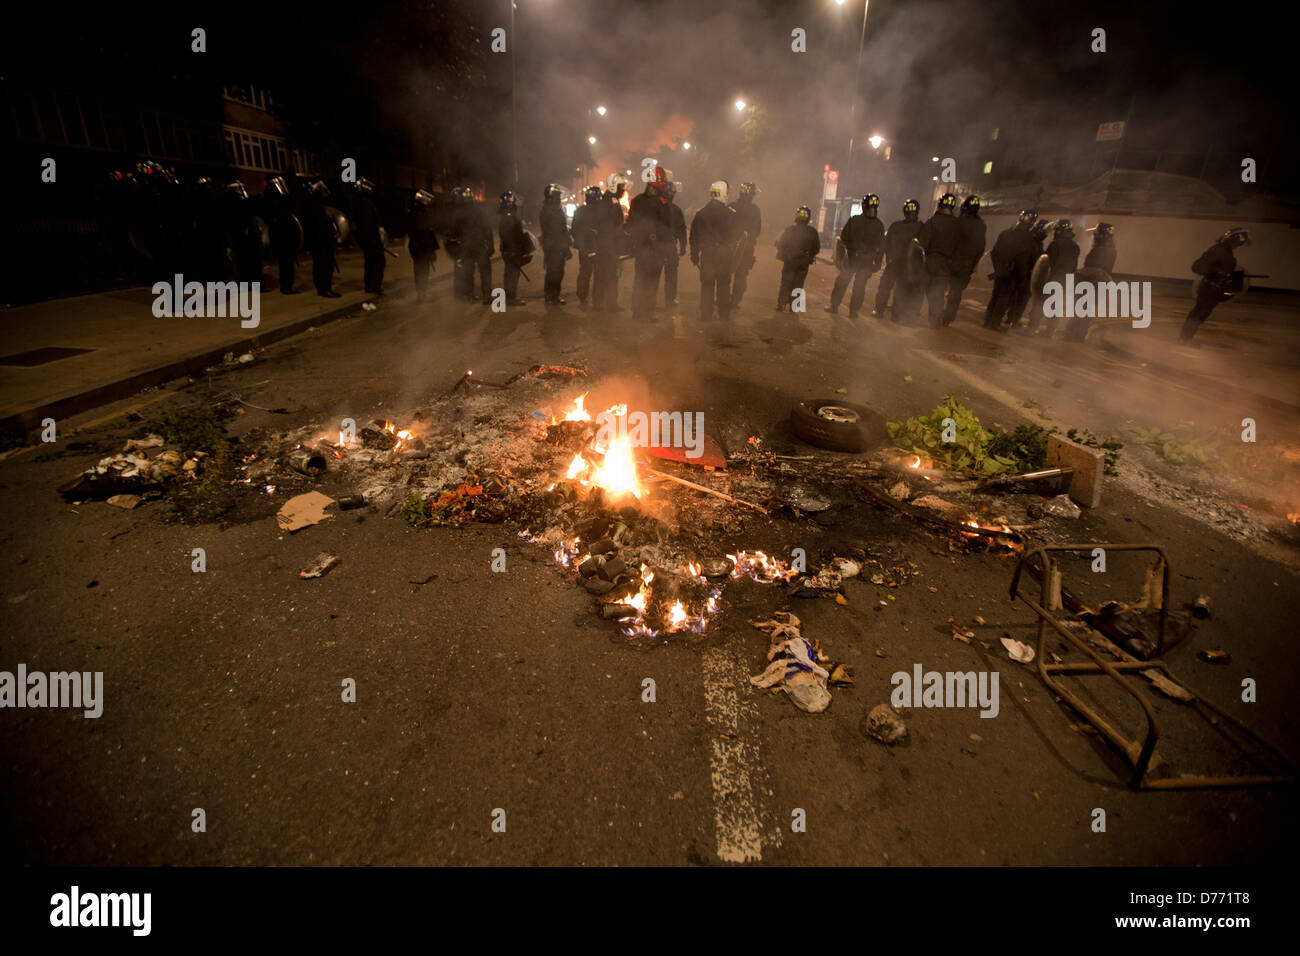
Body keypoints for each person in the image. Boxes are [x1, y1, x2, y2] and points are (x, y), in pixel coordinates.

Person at [1181, 227, 1251, 343]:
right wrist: (1217, 273)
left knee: (1202, 314)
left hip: (1215, 290)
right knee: (1198, 313)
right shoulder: (1218, 250)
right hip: (1209, 288)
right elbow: (1197, 267)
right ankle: (1185, 339)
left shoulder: (1226, 251)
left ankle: (1187, 338)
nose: (1239, 245)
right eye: (1240, 242)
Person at [825, 193, 885, 320]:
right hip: (863, 261)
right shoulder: (878, 225)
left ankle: (836, 306)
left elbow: (843, 238)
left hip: (854, 259)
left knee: (845, 283)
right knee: (856, 286)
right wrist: (877, 263)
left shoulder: (855, 220)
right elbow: (881, 247)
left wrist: (850, 250)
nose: (871, 211)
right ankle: (851, 311)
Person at [690, 180, 738, 321]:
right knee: (723, 284)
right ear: (724, 194)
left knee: (707, 285)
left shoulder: (701, 213)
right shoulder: (730, 214)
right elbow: (736, 237)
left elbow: (694, 236)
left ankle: (706, 314)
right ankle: (724, 314)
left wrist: (694, 255)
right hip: (724, 255)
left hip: (707, 254)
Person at [983, 209, 1039, 331]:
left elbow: (994, 253)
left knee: (995, 295)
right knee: (1005, 297)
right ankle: (994, 323)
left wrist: (998, 267)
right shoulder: (1030, 240)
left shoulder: (1005, 233)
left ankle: (987, 320)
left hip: (1000, 269)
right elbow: (1031, 260)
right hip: (1015, 274)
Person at [628, 167, 671, 320]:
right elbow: (666, 229)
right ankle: (647, 313)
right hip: (655, 251)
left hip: (640, 250)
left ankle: (636, 311)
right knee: (652, 282)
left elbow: (630, 225)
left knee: (639, 279)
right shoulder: (662, 203)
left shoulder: (636, 201)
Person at [915, 193, 963, 328]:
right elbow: (959, 247)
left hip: (930, 262)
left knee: (920, 290)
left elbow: (921, 244)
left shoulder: (932, 222)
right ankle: (935, 322)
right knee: (938, 294)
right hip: (945, 265)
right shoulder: (957, 225)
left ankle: (911, 316)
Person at [874, 198, 921, 322]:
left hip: (894, 263)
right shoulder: (921, 227)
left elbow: (886, 244)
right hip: (907, 266)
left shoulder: (896, 226)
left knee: (885, 287)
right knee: (900, 290)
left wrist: (888, 257)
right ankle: (896, 316)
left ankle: (879, 311)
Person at [941, 195, 986, 326]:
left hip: (952, 261)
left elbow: (949, 241)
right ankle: (948, 318)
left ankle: (936, 314)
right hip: (966, 265)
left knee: (939, 287)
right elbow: (980, 248)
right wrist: (972, 265)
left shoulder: (958, 222)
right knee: (956, 292)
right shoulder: (981, 226)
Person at [1031, 219, 1079, 336]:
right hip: (1065, 281)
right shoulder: (1075, 247)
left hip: (1052, 278)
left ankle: (1032, 328)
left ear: (1058, 231)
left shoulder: (1055, 244)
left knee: (1040, 303)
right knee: (1056, 306)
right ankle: (1050, 331)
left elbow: (1047, 262)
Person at [447, 186, 493, 303]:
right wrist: (490, 244)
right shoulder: (478, 210)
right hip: (479, 245)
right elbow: (487, 228)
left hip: (466, 247)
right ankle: (487, 296)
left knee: (468, 272)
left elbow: (451, 233)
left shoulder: (455, 213)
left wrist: (454, 248)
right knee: (485, 271)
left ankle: (470, 296)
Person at [774, 205, 820, 312]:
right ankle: (794, 306)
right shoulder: (812, 232)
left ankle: (781, 304)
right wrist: (809, 256)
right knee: (798, 284)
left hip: (790, 261)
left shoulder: (790, 230)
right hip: (803, 263)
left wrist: (786, 254)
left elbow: (781, 244)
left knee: (786, 282)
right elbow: (816, 248)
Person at [593, 173, 627, 311]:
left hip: (606, 245)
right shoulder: (610, 203)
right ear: (614, 186)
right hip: (609, 246)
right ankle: (608, 303)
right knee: (611, 274)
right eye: (621, 187)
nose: (623, 190)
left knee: (606, 274)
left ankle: (602, 302)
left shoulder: (607, 201)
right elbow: (610, 226)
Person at [262, 175, 300, 294]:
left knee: (287, 261)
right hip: (281, 233)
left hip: (285, 232)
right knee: (285, 262)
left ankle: (288, 285)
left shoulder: (280, 200)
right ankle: (286, 286)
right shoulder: (273, 199)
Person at [302, 180, 340, 297]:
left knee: (320, 265)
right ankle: (325, 289)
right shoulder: (315, 207)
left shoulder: (314, 206)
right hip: (321, 241)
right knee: (324, 265)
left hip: (319, 241)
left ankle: (322, 288)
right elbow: (321, 226)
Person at [729, 181, 762, 308]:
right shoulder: (755, 210)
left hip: (729, 245)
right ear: (752, 194)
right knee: (741, 275)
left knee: (724, 273)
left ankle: (722, 297)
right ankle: (734, 301)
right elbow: (757, 230)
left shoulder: (732, 206)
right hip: (746, 248)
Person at [539, 184, 571, 307]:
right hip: (554, 247)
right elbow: (557, 231)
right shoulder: (550, 211)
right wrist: (565, 247)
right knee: (554, 272)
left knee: (556, 272)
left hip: (556, 246)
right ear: (551, 197)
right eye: (557, 196)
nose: (559, 198)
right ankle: (551, 296)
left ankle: (553, 296)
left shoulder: (553, 209)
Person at [571, 185, 602, 308]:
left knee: (585, 271)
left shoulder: (580, 211)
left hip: (586, 247)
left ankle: (583, 297)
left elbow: (574, 229)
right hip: (594, 246)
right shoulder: (600, 211)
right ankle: (596, 299)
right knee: (596, 272)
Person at [354, 178, 386, 296]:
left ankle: (370, 286)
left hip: (368, 239)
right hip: (371, 239)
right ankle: (375, 286)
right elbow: (368, 225)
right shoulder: (365, 204)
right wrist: (374, 239)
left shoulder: (362, 203)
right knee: (377, 262)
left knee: (370, 262)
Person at [497, 190, 529, 307]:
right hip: (512, 250)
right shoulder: (508, 216)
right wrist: (512, 251)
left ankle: (510, 297)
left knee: (511, 273)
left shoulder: (507, 214)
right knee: (512, 274)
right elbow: (508, 235)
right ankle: (510, 298)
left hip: (511, 250)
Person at [406, 189, 439, 303]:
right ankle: (421, 294)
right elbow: (423, 232)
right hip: (421, 247)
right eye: (425, 199)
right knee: (422, 271)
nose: (427, 201)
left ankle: (421, 293)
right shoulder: (420, 213)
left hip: (417, 246)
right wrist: (430, 249)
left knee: (420, 270)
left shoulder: (415, 211)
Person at [661, 181, 687, 307]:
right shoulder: (676, 210)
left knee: (651, 275)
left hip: (654, 247)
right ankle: (670, 300)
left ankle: (646, 299)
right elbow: (682, 230)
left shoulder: (654, 208)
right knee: (671, 275)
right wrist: (683, 247)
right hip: (670, 246)